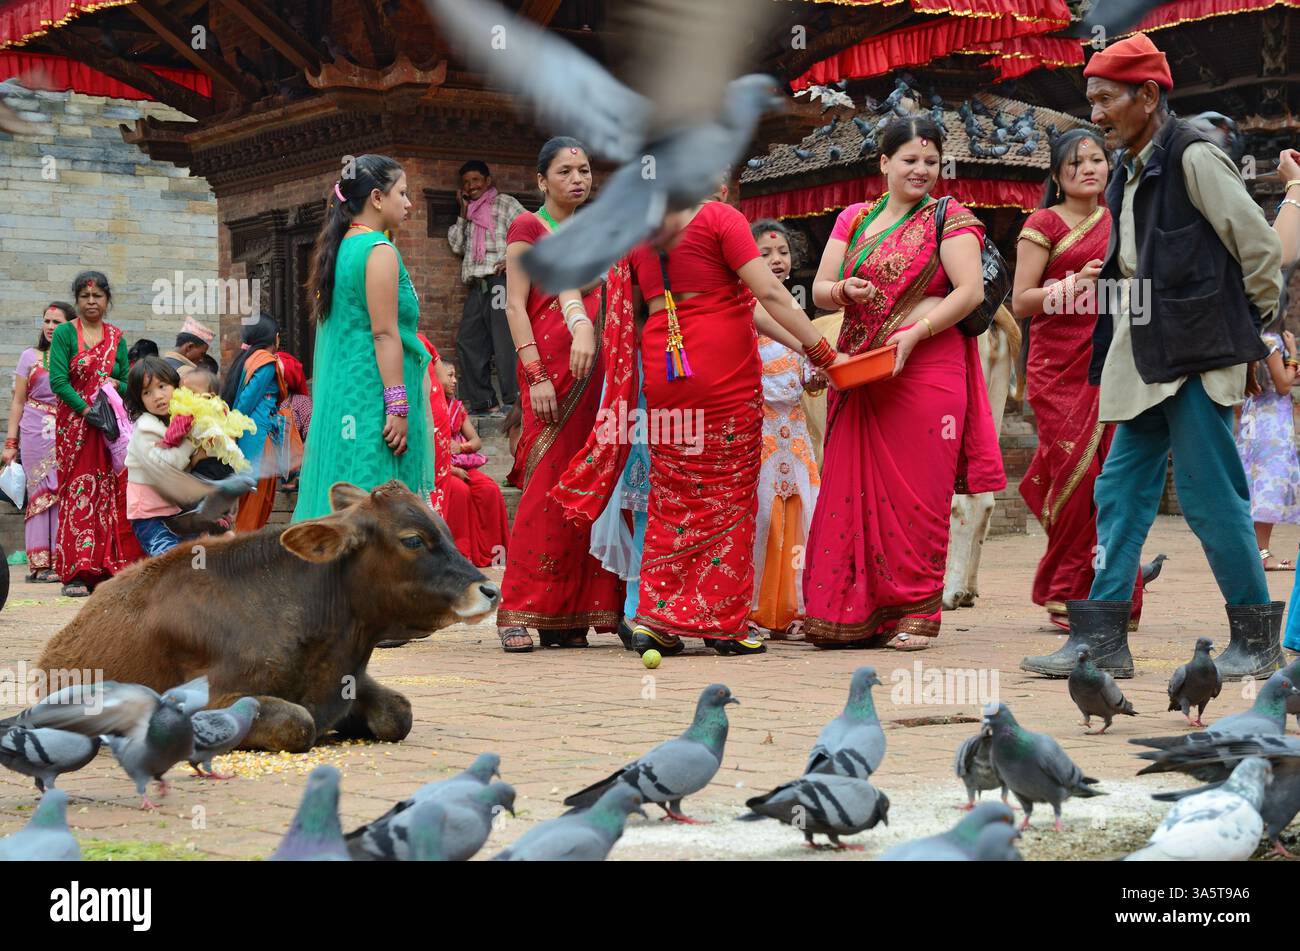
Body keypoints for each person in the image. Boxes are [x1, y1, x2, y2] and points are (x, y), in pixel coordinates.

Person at [1022, 33, 1284, 680]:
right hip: (1140, 356)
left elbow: (1260, 251)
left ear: (1146, 95)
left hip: (1197, 354)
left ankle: (1255, 635)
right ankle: (1102, 638)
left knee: (1209, 495)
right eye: (1091, 100)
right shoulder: (1131, 168)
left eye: (1107, 99)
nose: (1098, 114)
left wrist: (1240, 330)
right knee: (1118, 492)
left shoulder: (1193, 156)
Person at [803, 117, 1003, 652]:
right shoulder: (853, 218)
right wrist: (845, 288)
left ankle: (916, 610)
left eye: (931, 161)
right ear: (884, 163)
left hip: (929, 367)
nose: (921, 170)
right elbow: (820, 290)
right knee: (850, 486)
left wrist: (917, 333)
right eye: (910, 160)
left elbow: (967, 291)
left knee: (917, 492)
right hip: (863, 368)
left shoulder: (949, 217)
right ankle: (852, 611)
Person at [618, 191, 845, 659]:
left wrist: (804, 349)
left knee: (674, 489)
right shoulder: (721, 218)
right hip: (720, 363)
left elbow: (746, 306)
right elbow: (769, 293)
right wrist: (821, 350)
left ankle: (658, 618)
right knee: (728, 490)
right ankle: (721, 624)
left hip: (666, 361)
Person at [495, 137, 629, 652]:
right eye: (565, 171)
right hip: (551, 374)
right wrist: (534, 375)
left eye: (585, 170)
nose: (578, 179)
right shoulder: (529, 227)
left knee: (590, 485)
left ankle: (570, 611)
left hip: (599, 375)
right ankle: (520, 609)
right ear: (541, 181)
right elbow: (515, 305)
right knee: (546, 486)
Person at [1013, 128, 1144, 631]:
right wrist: (1070, 286)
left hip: (1115, 360)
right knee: (1076, 473)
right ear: (1056, 174)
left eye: (1097, 160)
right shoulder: (1042, 223)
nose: (1089, 168)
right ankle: (1068, 593)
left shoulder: (1122, 219)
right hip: (1057, 367)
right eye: (1076, 162)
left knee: (1115, 479)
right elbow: (1021, 300)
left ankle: (1116, 596)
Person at [293, 154, 435, 522]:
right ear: (376, 197)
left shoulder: (342, 248)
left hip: (348, 395)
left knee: (350, 494)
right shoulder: (378, 250)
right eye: (401, 193)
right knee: (377, 500)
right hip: (374, 397)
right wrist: (397, 406)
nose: (408, 203)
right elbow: (385, 333)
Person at [747, 219, 822, 639]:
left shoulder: (798, 313)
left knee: (801, 516)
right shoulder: (742, 310)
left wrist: (816, 377)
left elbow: (805, 381)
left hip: (793, 435)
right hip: (758, 435)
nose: (776, 261)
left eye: (782, 253)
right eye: (763, 254)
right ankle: (755, 608)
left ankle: (795, 608)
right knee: (760, 517)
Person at [47, 271, 141, 596]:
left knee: (109, 492)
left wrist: (117, 384)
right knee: (78, 491)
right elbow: (58, 381)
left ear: (107, 300)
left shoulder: (116, 337)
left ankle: (105, 566)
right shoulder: (64, 334)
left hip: (111, 429)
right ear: (77, 300)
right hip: (76, 427)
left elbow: (131, 382)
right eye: (85, 297)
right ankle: (75, 570)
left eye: (98, 296)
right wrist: (88, 412)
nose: (91, 302)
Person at [448, 159, 526, 417]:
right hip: (477, 286)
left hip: (499, 283)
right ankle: (484, 402)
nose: (471, 186)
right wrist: (461, 211)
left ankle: (513, 401)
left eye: (475, 180)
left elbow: (533, 230)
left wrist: (513, 259)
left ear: (487, 181)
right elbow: (457, 246)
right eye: (466, 183)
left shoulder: (505, 204)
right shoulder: (469, 213)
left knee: (504, 341)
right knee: (467, 340)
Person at [3, 302, 73, 581]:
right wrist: (10, 444)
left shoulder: (74, 357)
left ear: (69, 327)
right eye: (47, 321)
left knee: (63, 492)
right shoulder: (29, 357)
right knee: (40, 494)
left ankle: (62, 561)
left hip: (66, 430)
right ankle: (40, 563)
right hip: (34, 431)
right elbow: (18, 401)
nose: (50, 327)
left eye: (57, 322)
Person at [222, 314, 295, 532]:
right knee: (254, 505)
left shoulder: (247, 358)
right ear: (275, 338)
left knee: (250, 503)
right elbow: (246, 402)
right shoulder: (266, 363)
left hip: (248, 438)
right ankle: (241, 557)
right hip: (258, 440)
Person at [1236, 331, 1300, 570]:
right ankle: (1262, 553)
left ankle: (1255, 551)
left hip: (1256, 418)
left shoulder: (1251, 334)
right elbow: (1283, 385)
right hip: (1271, 424)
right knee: (1268, 484)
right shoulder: (1270, 340)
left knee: (1255, 483)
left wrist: (1289, 370)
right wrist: (1293, 354)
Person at [437, 362, 511, 568]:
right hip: (438, 467)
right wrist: (452, 470)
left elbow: (477, 442)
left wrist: (461, 448)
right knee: (460, 491)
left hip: (460, 463)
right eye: (449, 375)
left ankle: (492, 553)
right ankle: (462, 554)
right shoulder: (427, 407)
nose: (454, 381)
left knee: (489, 489)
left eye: (455, 376)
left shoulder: (456, 408)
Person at [123, 357, 197, 556]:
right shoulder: (145, 429)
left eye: (162, 386)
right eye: (147, 392)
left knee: (196, 560)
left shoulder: (175, 420)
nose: (157, 396)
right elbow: (167, 465)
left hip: (176, 510)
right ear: (140, 400)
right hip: (149, 516)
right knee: (169, 563)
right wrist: (191, 442)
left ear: (175, 386)